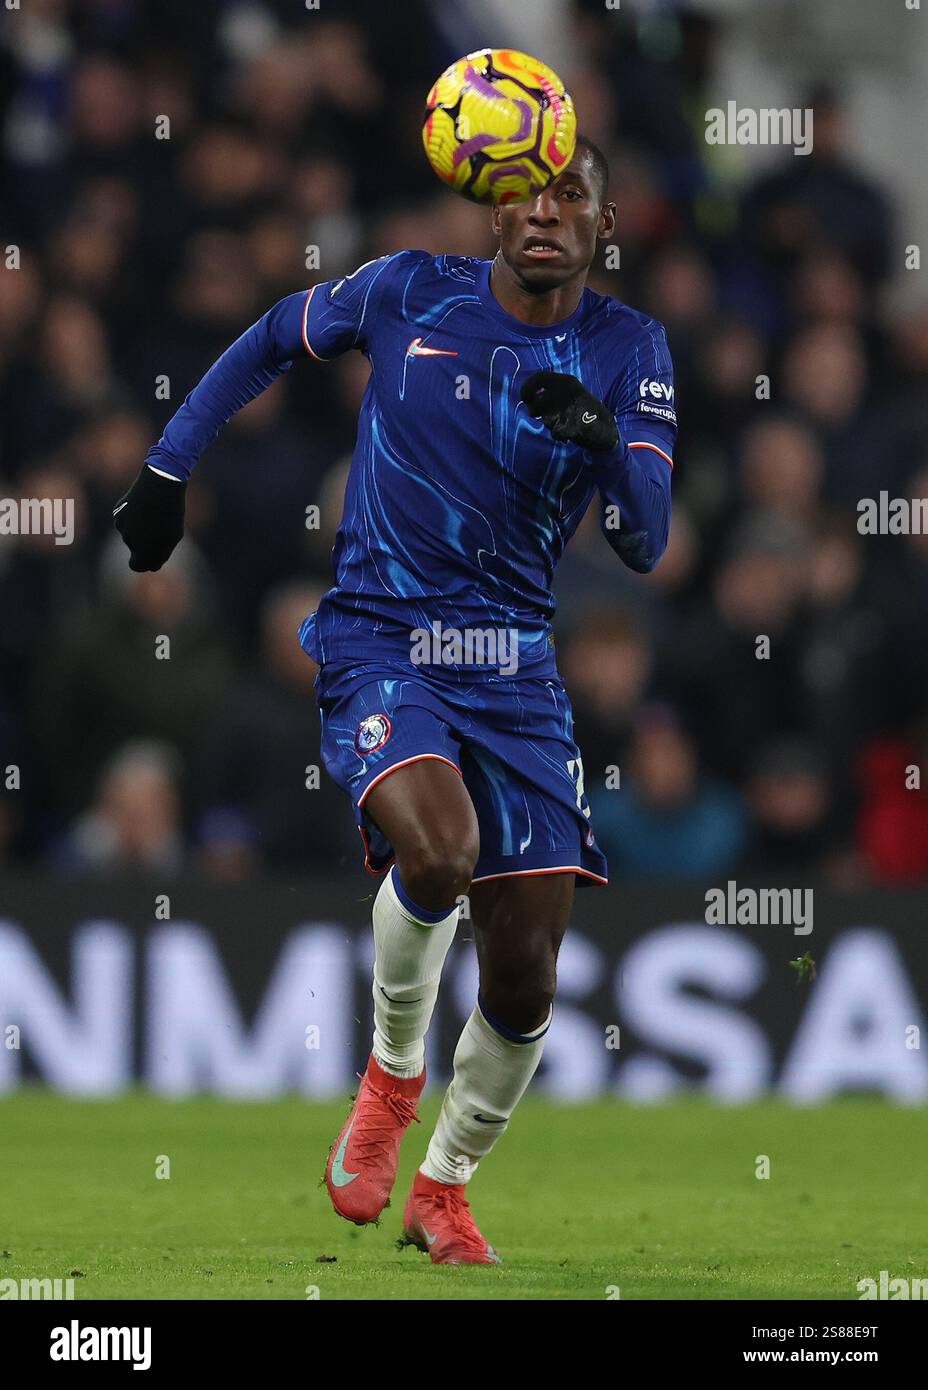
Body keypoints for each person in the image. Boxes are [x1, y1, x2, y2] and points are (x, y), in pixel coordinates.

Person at [112, 136, 676, 1265]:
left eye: (571, 196)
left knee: (524, 978)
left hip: (514, 668)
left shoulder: (629, 346)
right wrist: (169, 466)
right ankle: (389, 1079)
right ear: (491, 209)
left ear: (604, 226)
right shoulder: (408, 288)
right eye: (522, 192)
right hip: (384, 637)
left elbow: (645, 538)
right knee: (437, 853)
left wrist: (605, 444)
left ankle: (445, 1185)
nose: (544, 212)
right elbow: (275, 334)